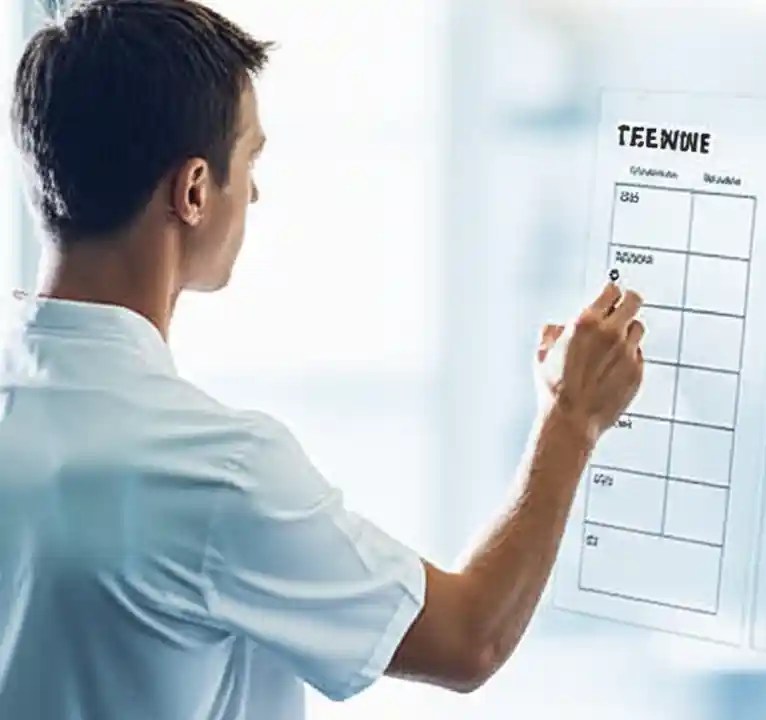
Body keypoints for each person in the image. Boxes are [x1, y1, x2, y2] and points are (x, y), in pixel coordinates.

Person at [0, 1, 645, 717]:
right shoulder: (213, 472)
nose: (254, 190)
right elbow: (470, 639)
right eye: (250, 159)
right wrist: (571, 417)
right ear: (192, 192)